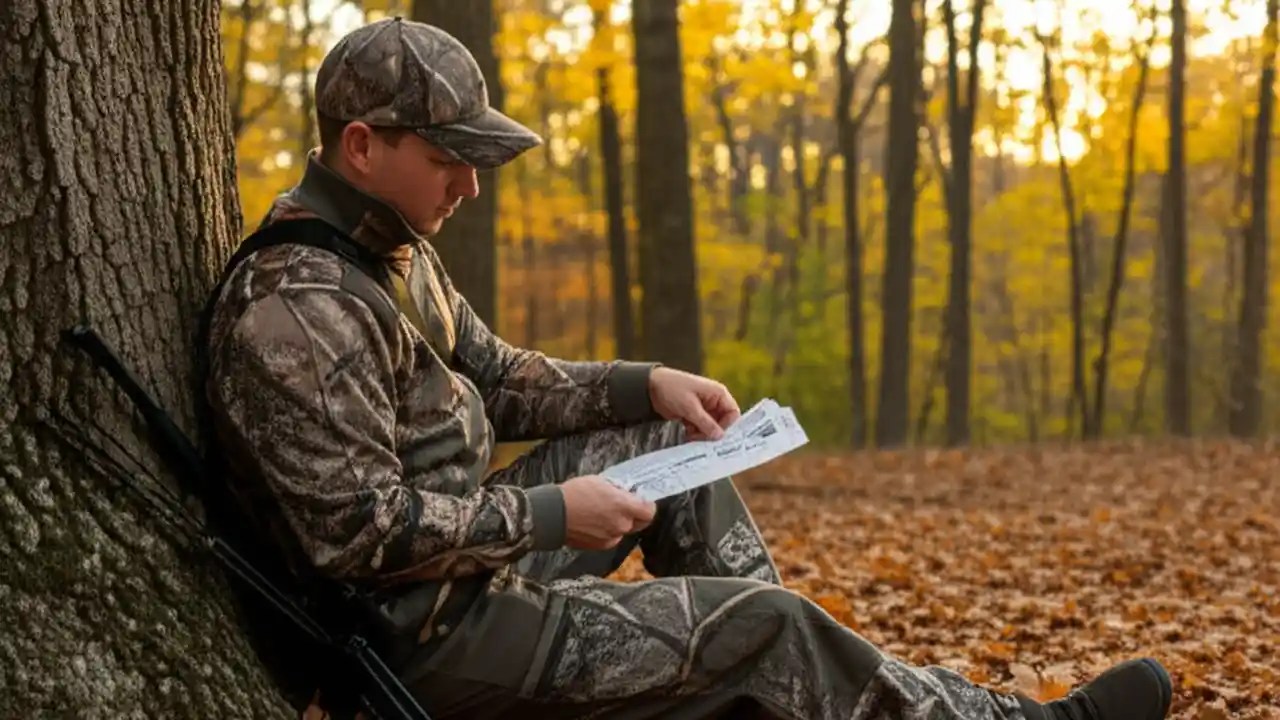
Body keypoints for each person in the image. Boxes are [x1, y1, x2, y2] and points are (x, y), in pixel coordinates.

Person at [202, 16, 1173, 720]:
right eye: (449, 157)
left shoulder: (390, 249)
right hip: (422, 642)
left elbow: (498, 378)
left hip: (468, 576)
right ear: (363, 146)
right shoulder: (297, 305)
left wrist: (645, 384)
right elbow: (359, 536)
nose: (469, 183)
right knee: (767, 626)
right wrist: (555, 513)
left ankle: (796, 688)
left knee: (672, 442)